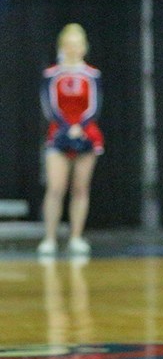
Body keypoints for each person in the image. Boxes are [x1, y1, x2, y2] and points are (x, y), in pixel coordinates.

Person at [37, 23, 104, 257]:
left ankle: (76, 236)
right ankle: (50, 238)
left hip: (86, 134)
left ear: (83, 47)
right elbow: (49, 105)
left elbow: (95, 105)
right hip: (59, 133)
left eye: (77, 45)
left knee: (80, 188)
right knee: (55, 188)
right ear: (62, 47)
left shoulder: (91, 75)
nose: (73, 49)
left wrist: (80, 126)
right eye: (69, 45)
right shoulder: (52, 74)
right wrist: (66, 127)